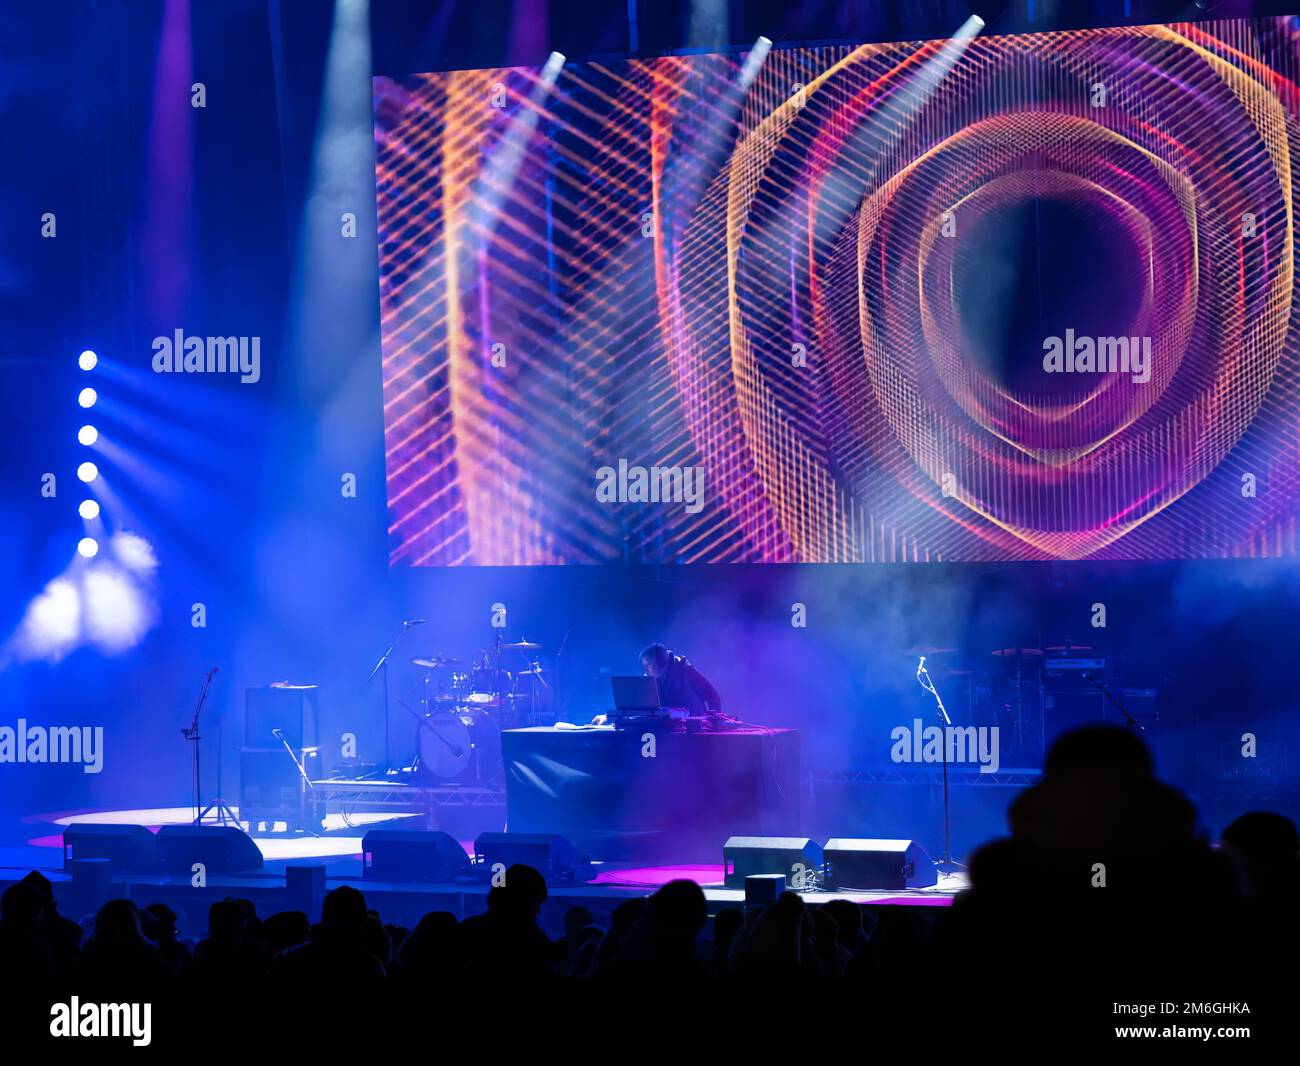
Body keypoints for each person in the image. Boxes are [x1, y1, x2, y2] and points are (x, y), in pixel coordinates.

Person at [639, 642, 722, 716]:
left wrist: (712, 724)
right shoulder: (655, 680)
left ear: (660, 662)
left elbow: (713, 697)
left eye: (648, 665)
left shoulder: (686, 671)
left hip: (692, 730)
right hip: (670, 729)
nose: (645, 670)